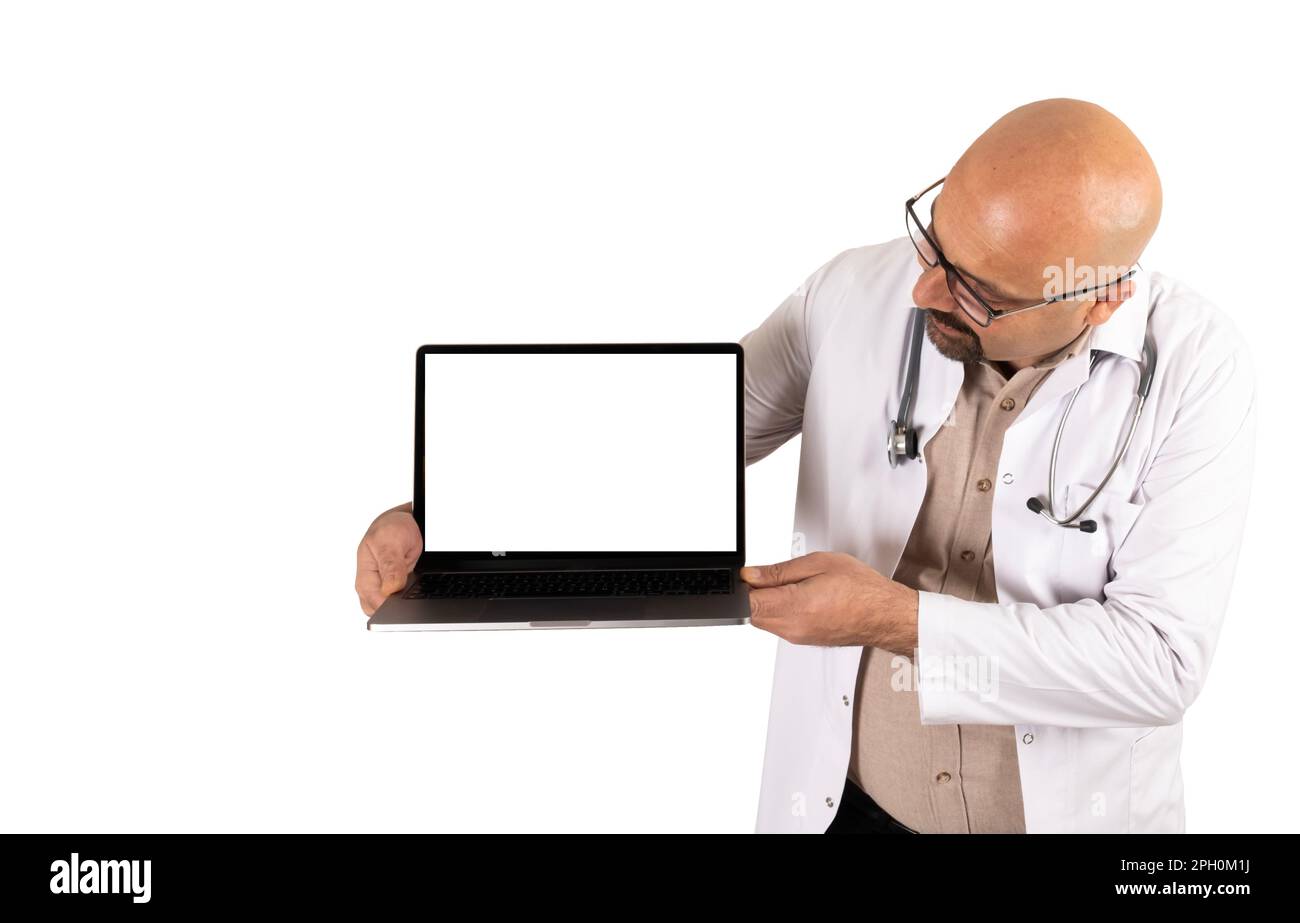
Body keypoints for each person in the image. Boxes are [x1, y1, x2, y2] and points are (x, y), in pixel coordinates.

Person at [355, 98, 1256, 834]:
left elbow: (1160, 661)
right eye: (934, 244)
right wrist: (439, 513)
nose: (923, 291)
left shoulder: (1196, 369)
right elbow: (684, 439)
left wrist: (896, 618)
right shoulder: (851, 292)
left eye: (976, 290)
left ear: (1100, 295)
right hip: (848, 810)